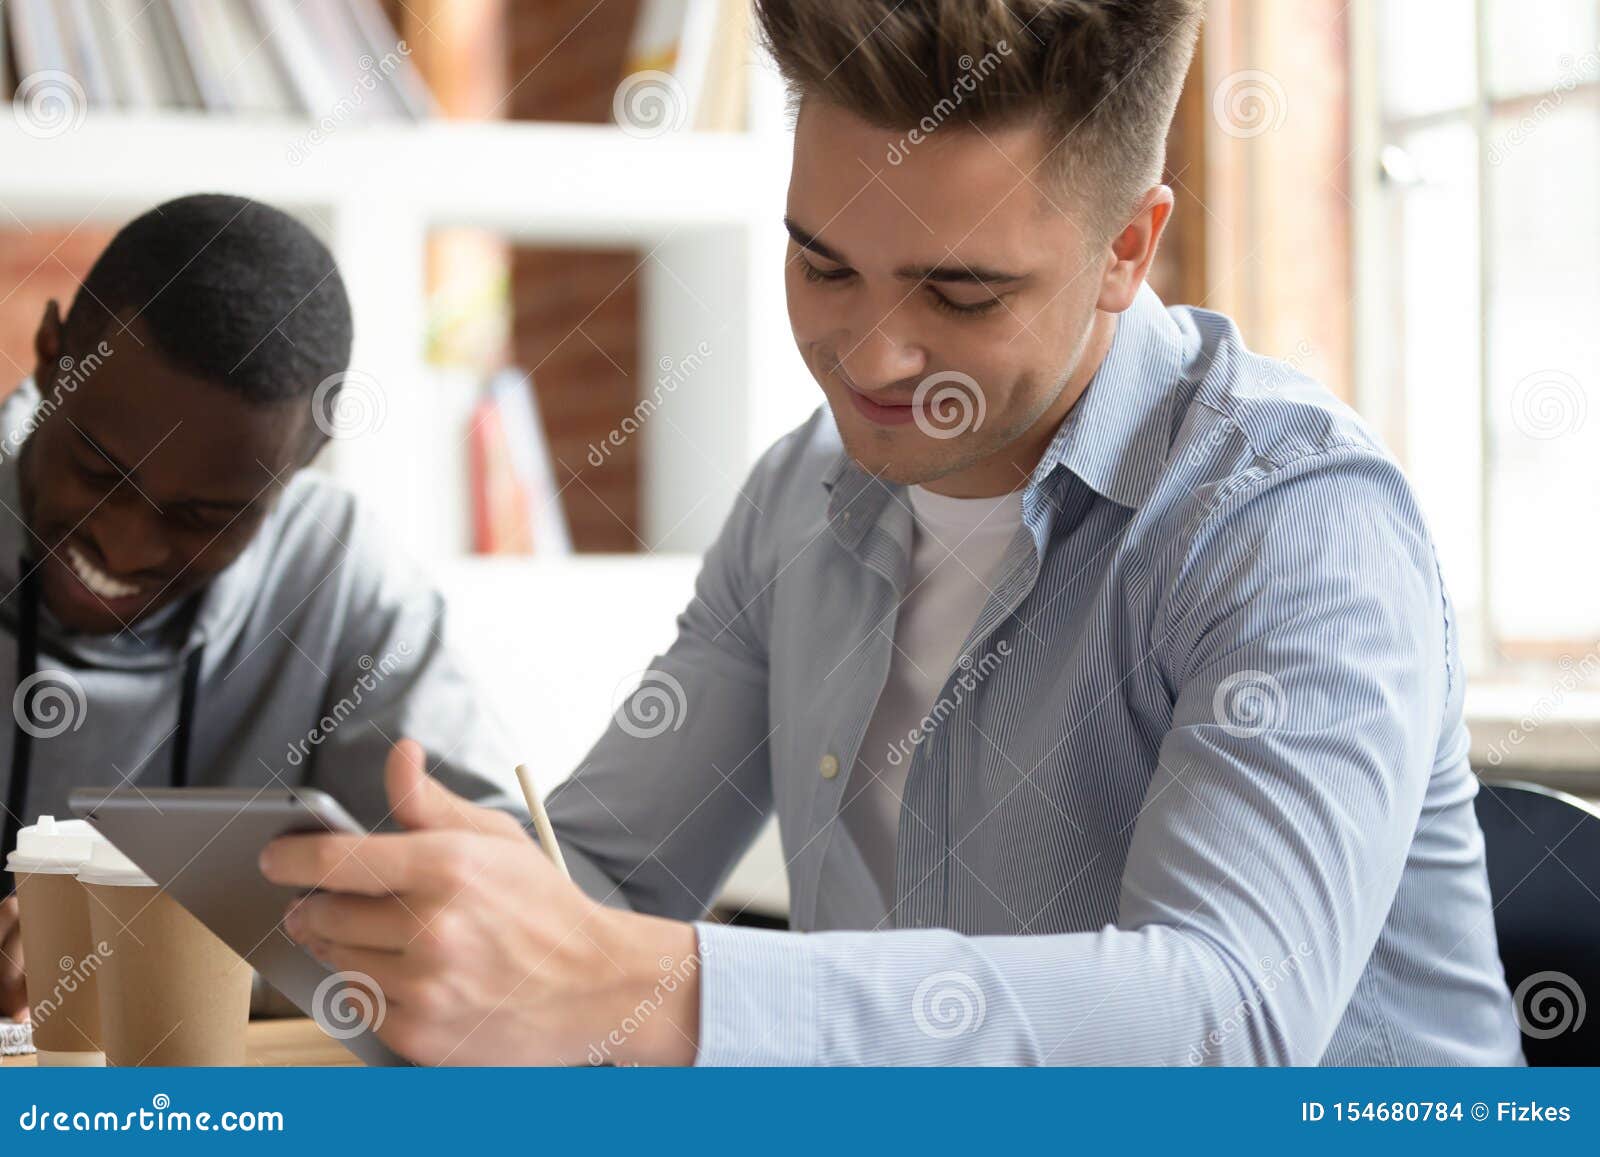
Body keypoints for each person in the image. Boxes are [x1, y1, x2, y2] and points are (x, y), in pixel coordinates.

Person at [264, 0, 1525, 1066]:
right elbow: (608, 876)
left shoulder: (1290, 521)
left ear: (1125, 248)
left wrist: (651, 987)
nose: (869, 359)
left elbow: (1228, 1022)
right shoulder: (805, 495)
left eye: (961, 292)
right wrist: (447, 915)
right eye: (823, 266)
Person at [0, 195, 520, 1020]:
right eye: (100, 472)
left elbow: (496, 923)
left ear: (303, 467)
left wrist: (160, 943)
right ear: (51, 356)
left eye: (205, 517)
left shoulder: (340, 577)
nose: (127, 547)